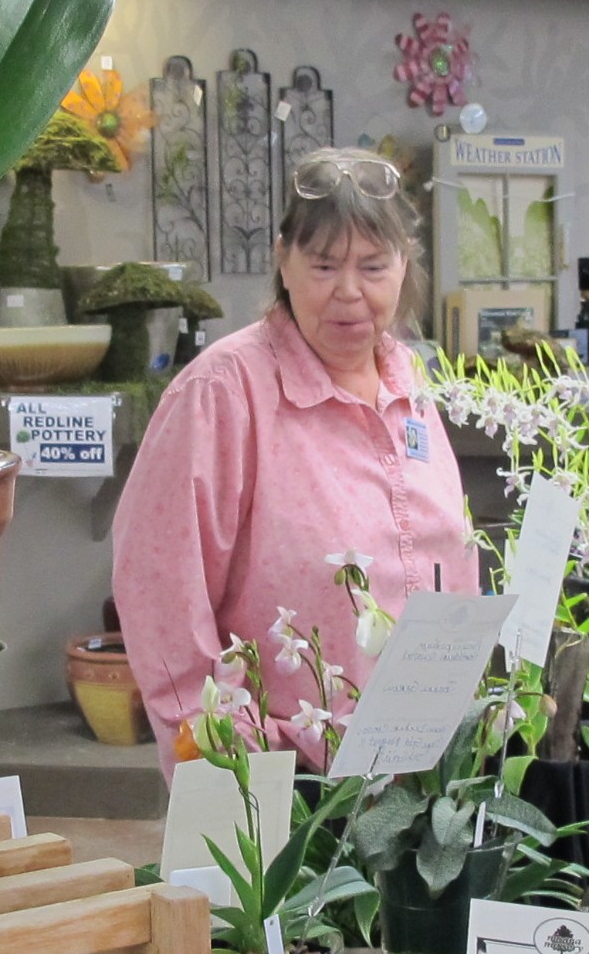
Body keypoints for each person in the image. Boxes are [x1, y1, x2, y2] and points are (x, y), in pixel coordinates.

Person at [113, 147, 476, 776]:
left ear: (404, 265)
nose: (349, 292)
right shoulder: (226, 391)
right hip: (285, 773)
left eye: (372, 266)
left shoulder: (408, 381)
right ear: (283, 259)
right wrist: (228, 744)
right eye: (325, 264)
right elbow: (158, 584)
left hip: (423, 769)